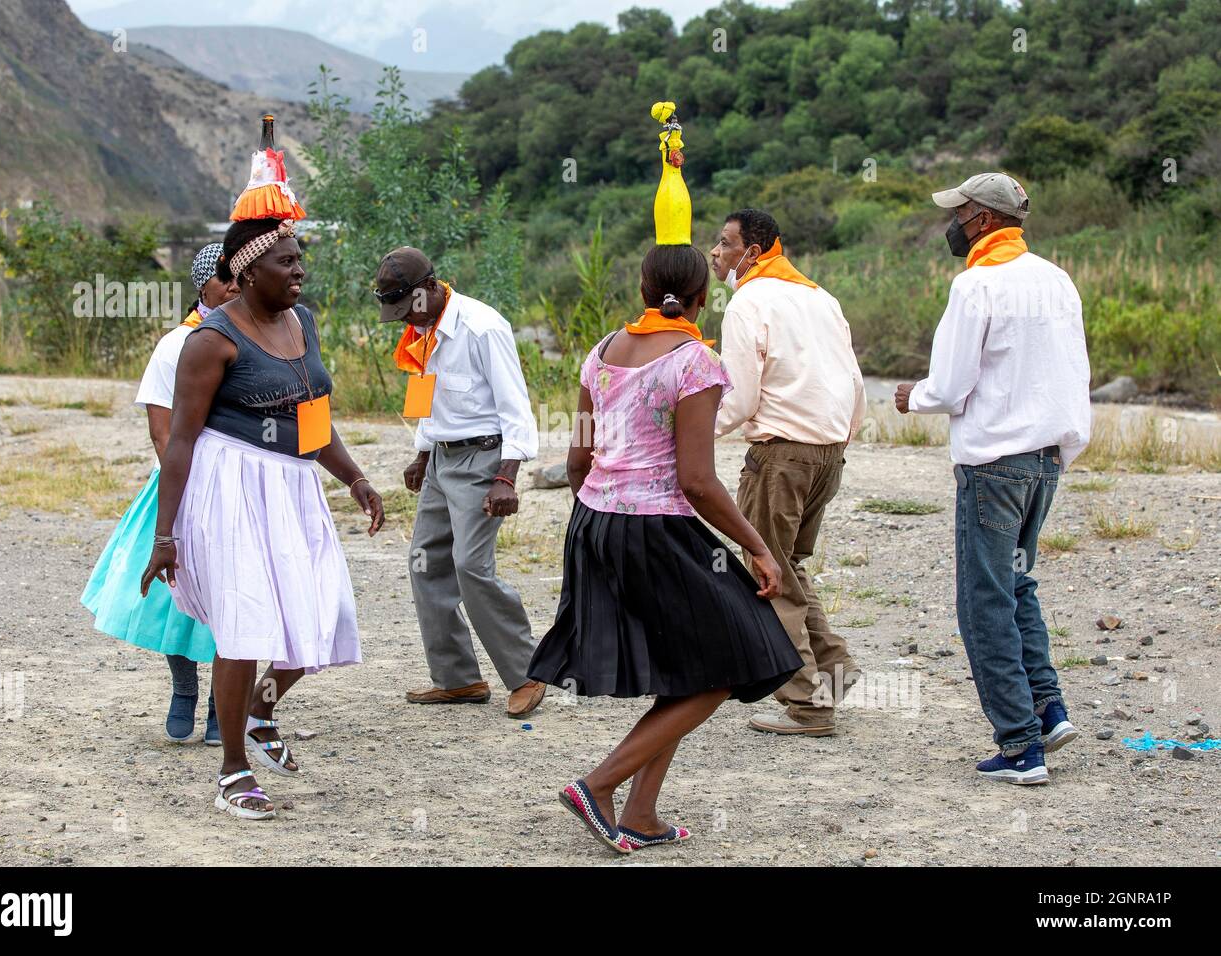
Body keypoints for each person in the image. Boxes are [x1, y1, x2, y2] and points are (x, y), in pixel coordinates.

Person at [528, 104, 802, 854]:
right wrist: (758, 547)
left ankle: (643, 813)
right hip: (654, 527)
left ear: (647, 289)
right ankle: (599, 784)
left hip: (596, 523)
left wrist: (592, 488)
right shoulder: (696, 363)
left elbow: (579, 454)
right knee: (735, 661)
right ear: (702, 295)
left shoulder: (600, 350)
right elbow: (698, 481)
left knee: (690, 664)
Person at [141, 127, 385, 819]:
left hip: (293, 486)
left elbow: (313, 417)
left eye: (300, 257)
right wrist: (167, 536)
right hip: (229, 488)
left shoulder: (301, 321)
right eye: (286, 261)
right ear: (248, 272)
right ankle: (231, 771)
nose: (300, 270)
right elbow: (181, 441)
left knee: (323, 613)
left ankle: (257, 711)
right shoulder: (210, 340)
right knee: (246, 629)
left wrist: (355, 478)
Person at [895, 172, 1090, 785]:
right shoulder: (1057, 281)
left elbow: (951, 385)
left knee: (984, 603)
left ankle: (1019, 746)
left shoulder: (976, 284)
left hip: (994, 466)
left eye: (956, 213)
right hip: (1046, 461)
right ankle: (1047, 709)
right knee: (1017, 585)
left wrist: (913, 398)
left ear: (979, 217)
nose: (950, 223)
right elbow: (1071, 372)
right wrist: (1065, 449)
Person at [710, 208, 866, 738]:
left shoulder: (747, 301)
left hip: (781, 456)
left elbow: (740, 396)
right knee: (789, 565)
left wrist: (689, 434)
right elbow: (853, 376)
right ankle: (834, 674)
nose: (715, 252)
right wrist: (842, 436)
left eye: (725, 242)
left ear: (752, 252)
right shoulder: (821, 297)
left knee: (768, 573)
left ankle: (807, 704)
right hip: (828, 451)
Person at [81, 242, 238, 745]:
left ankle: (222, 704)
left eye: (241, 277)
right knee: (175, 595)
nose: (234, 286)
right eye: (223, 278)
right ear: (202, 286)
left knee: (230, 595)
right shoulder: (177, 345)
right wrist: (186, 490)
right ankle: (184, 688)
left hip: (236, 489)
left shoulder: (252, 338)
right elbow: (162, 431)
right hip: (183, 485)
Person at [381, 246, 546, 720]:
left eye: (408, 307)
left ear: (431, 287)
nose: (404, 321)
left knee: (471, 566)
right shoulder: (423, 329)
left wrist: (506, 478)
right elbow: (427, 396)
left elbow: (516, 407)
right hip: (440, 460)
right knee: (426, 565)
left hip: (483, 460)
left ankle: (526, 673)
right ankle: (458, 680)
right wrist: (421, 453)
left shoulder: (482, 327)